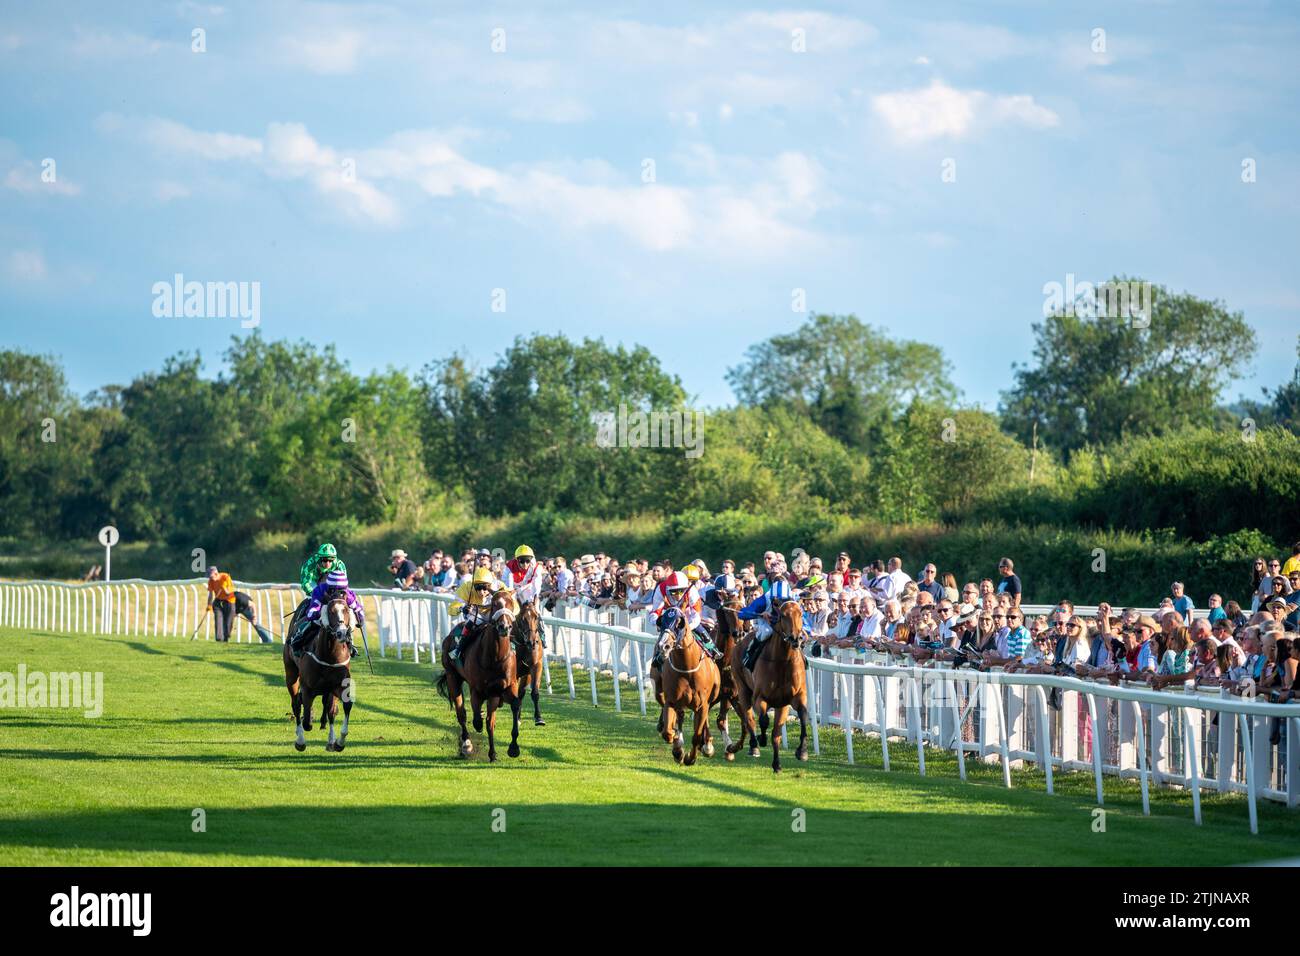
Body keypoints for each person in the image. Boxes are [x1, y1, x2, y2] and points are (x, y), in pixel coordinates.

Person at [448, 566, 516, 664]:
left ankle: (513, 644)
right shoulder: (466, 587)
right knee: (472, 620)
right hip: (475, 613)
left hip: (493, 613)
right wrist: (462, 608)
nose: (481, 592)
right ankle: (459, 649)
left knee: (507, 622)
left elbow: (513, 603)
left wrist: (508, 612)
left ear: (491, 585)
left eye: (485, 588)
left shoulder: (500, 586)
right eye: (478, 588)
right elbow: (451, 608)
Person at [737, 571, 795, 670]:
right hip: (769, 626)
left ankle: (803, 660)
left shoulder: (792, 598)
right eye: (777, 602)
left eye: (784, 601)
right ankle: (749, 657)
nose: (781, 604)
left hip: (786, 627)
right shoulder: (764, 599)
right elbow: (741, 614)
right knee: (766, 632)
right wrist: (759, 614)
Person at [501, 544, 548, 646]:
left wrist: (535, 598)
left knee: (536, 611)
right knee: (510, 611)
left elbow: (537, 584)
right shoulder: (509, 566)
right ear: (517, 560)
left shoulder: (536, 567)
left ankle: (542, 635)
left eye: (528, 560)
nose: (525, 564)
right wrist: (512, 593)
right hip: (513, 589)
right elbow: (507, 583)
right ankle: (507, 636)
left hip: (528, 589)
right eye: (522, 561)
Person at [206, 566, 237, 642]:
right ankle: (219, 639)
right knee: (218, 619)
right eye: (209, 576)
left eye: (211, 576)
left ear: (216, 573)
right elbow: (210, 594)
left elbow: (228, 592)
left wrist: (223, 587)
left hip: (229, 600)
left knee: (228, 622)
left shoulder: (226, 577)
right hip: (218, 601)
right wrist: (209, 605)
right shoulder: (211, 581)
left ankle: (226, 637)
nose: (210, 578)